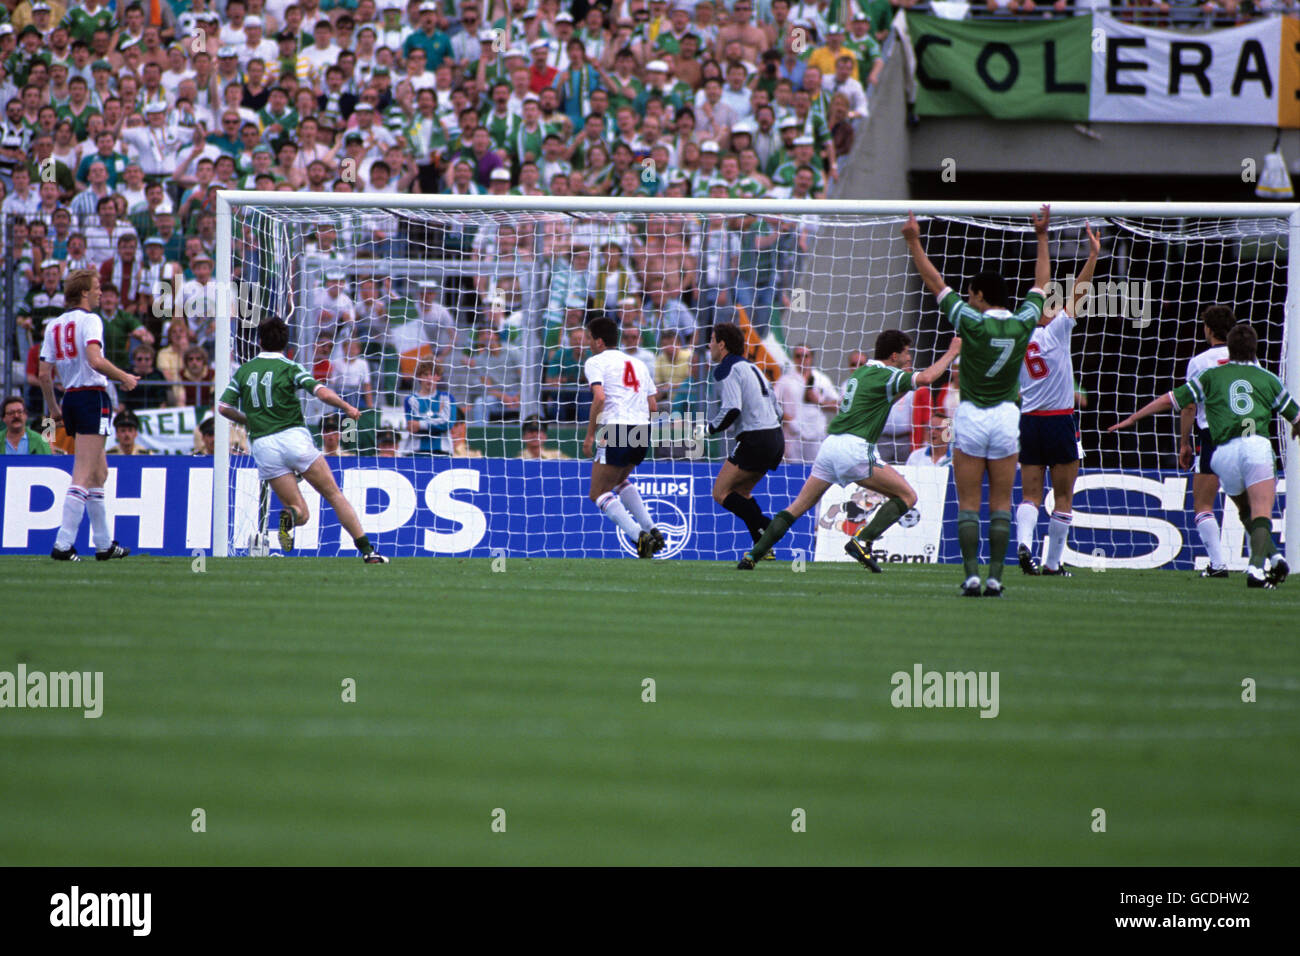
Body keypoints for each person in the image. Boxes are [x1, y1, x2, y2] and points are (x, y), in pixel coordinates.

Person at [902, 206, 1050, 597]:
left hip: (970, 415)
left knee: (968, 501)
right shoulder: (1022, 323)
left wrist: (914, 241)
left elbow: (935, 283)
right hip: (1005, 417)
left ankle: (970, 575)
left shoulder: (969, 320)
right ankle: (997, 578)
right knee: (1001, 501)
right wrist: (1042, 237)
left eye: (970, 293)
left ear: (980, 297)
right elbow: (1042, 285)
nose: (968, 297)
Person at [739, 330, 961, 570]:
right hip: (855, 448)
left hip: (830, 446)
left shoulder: (862, 373)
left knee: (797, 507)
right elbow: (927, 378)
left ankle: (753, 555)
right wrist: (952, 352)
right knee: (908, 496)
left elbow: (884, 400)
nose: (910, 358)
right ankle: (863, 541)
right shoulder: (886, 373)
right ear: (894, 355)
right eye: (907, 353)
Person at [1110, 323, 1299, 589]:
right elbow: (1296, 416)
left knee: (1244, 510)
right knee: (1260, 512)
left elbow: (1170, 400)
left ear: (1229, 348)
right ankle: (1256, 568)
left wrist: (1133, 418)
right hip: (1256, 446)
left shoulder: (1211, 376)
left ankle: (1275, 557)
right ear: (1255, 349)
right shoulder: (1268, 378)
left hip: (1223, 453)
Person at [217, 317, 389, 563]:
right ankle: (368, 552)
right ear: (286, 344)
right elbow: (321, 392)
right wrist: (346, 406)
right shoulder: (290, 367)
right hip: (293, 438)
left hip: (263, 446)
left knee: (301, 512)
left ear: (259, 341)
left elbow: (223, 407)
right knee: (333, 494)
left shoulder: (244, 371)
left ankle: (290, 514)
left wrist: (250, 420)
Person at [1015, 224, 1099, 578]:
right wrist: (1093, 256)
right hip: (1060, 420)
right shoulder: (1057, 330)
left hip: (1028, 421)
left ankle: (1023, 543)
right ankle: (1052, 563)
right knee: (1063, 498)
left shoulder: (1016, 339)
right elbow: (1079, 291)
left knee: (1030, 496)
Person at [39, 269, 138, 561]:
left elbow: (44, 375)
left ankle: (104, 544)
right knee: (82, 473)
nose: (100, 293)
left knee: (99, 473)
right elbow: (95, 360)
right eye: (96, 288)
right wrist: (124, 377)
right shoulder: (91, 320)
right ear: (84, 292)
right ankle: (63, 543)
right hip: (92, 397)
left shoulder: (53, 325)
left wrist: (55, 410)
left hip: (69, 398)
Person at [582, 316, 665, 558]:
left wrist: (590, 436)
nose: (587, 343)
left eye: (588, 338)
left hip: (616, 428)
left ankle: (639, 536)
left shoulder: (595, 362)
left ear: (598, 341)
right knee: (618, 482)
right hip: (641, 429)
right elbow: (652, 406)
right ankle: (651, 529)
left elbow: (599, 398)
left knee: (597, 493)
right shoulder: (638, 364)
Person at [705, 322, 784, 551]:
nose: (709, 345)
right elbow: (778, 411)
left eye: (711, 340)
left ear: (722, 344)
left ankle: (768, 527)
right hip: (775, 438)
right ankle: (763, 546)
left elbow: (731, 408)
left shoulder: (726, 368)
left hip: (755, 438)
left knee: (720, 493)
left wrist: (708, 429)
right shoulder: (754, 367)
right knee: (742, 493)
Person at [1179, 305, 1236, 578]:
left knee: (1203, 504)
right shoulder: (1249, 360)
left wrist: (1184, 442)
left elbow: (1188, 406)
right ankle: (1267, 562)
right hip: (1248, 437)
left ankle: (1217, 564)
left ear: (1209, 330)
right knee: (1253, 506)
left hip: (1212, 436)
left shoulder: (1200, 362)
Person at [405, 360, 457, 455]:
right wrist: (438, 417)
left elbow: (448, 423)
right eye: (425, 374)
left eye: (433, 374)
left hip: (442, 452)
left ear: (438, 377)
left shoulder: (447, 398)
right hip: (416, 452)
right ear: (419, 376)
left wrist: (421, 424)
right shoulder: (411, 400)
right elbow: (413, 427)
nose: (429, 378)